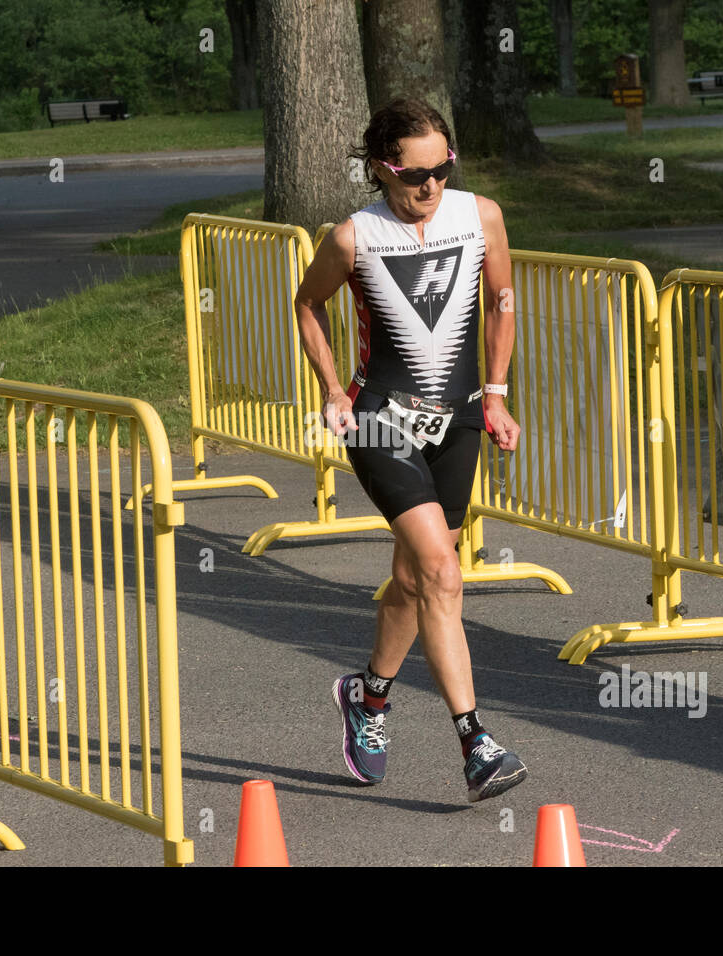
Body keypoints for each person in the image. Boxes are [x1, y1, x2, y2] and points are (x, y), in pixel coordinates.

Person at [293, 97, 526, 803]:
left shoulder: (479, 215)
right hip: (379, 418)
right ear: (380, 168)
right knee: (441, 572)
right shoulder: (351, 238)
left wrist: (494, 393)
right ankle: (476, 742)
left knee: (413, 578)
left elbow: (503, 299)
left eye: (442, 169)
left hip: (456, 422)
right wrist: (334, 389)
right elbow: (309, 305)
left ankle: (368, 696)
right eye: (412, 174)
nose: (429, 187)